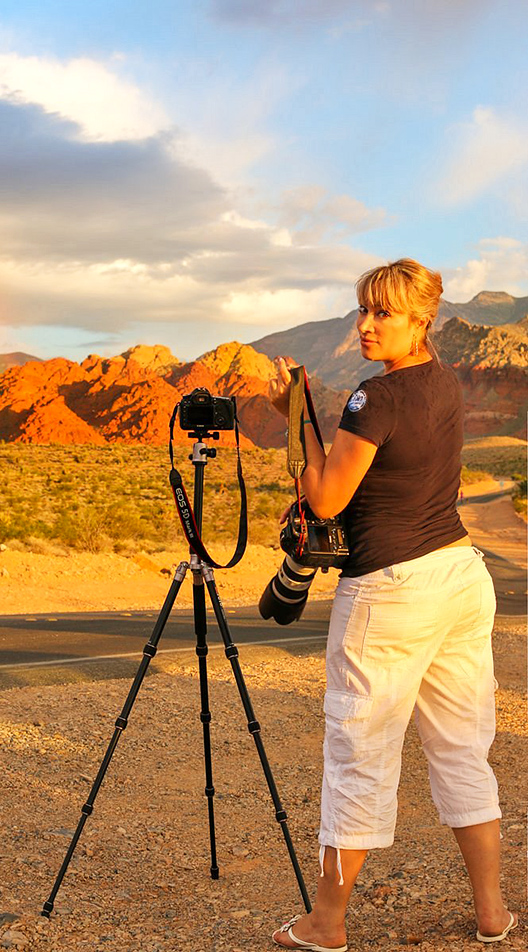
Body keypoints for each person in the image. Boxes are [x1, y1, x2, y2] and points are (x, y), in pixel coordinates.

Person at [267, 259, 517, 951]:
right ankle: (492, 914)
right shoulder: (443, 382)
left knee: (358, 754)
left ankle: (327, 922)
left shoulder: (374, 397)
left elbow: (323, 499)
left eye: (384, 313)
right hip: (461, 577)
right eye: (363, 311)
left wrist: (294, 411)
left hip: (391, 591)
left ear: (421, 319)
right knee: (464, 750)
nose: (367, 325)